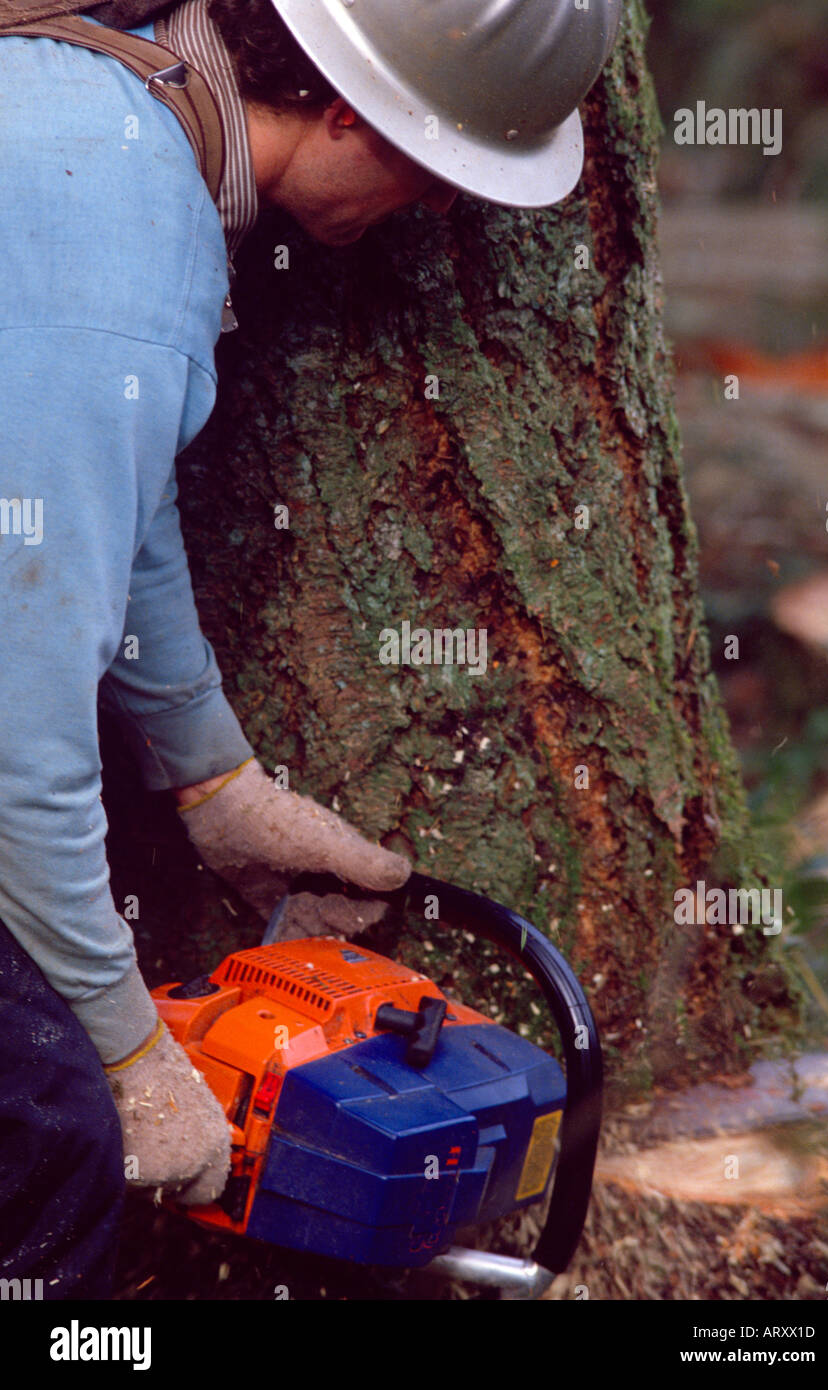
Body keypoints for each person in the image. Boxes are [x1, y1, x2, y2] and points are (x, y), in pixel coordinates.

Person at [0, 0, 620, 1297]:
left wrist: (214, 779)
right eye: (438, 172)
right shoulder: (120, 233)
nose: (441, 215)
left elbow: (113, 502)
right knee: (50, 1136)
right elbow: (15, 721)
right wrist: (122, 1056)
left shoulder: (99, 124)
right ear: (349, 109)